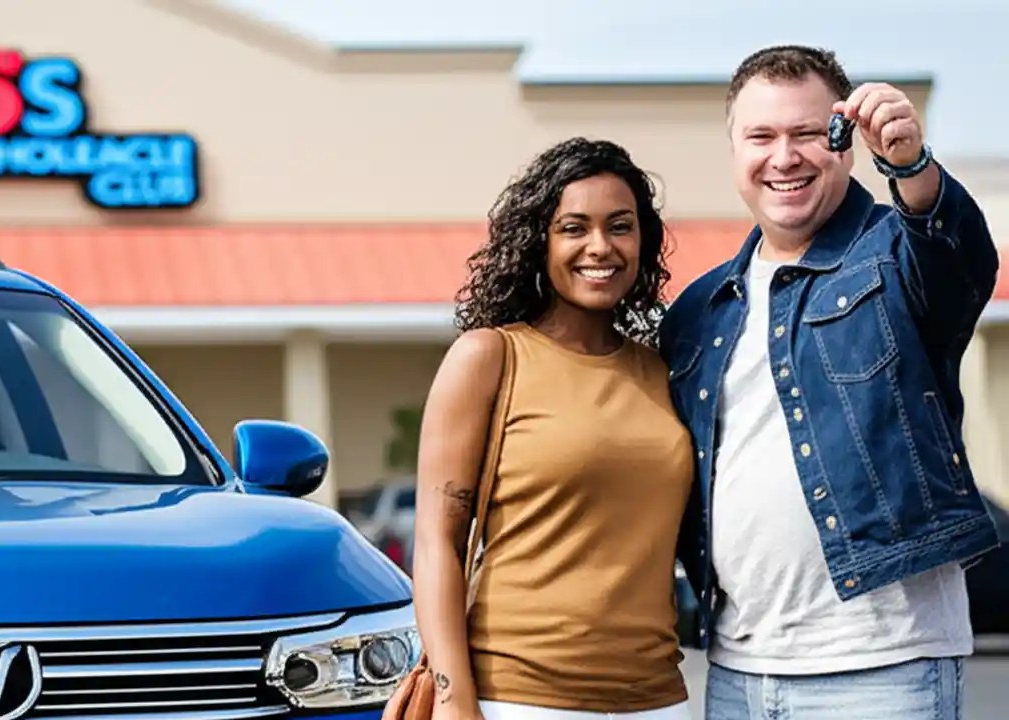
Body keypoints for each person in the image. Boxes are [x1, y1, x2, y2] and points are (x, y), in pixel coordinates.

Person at [658, 45, 1003, 720]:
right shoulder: (700, 312)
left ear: (844, 144)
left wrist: (911, 166)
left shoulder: (894, 256)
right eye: (761, 136)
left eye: (808, 133)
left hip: (883, 669)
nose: (783, 156)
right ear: (734, 152)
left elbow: (958, 256)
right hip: (737, 673)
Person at [412, 136, 695, 720]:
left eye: (620, 226)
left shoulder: (663, 370)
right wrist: (452, 696)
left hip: (656, 700)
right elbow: (438, 541)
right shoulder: (490, 358)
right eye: (574, 227)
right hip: (517, 697)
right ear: (539, 241)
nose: (601, 247)